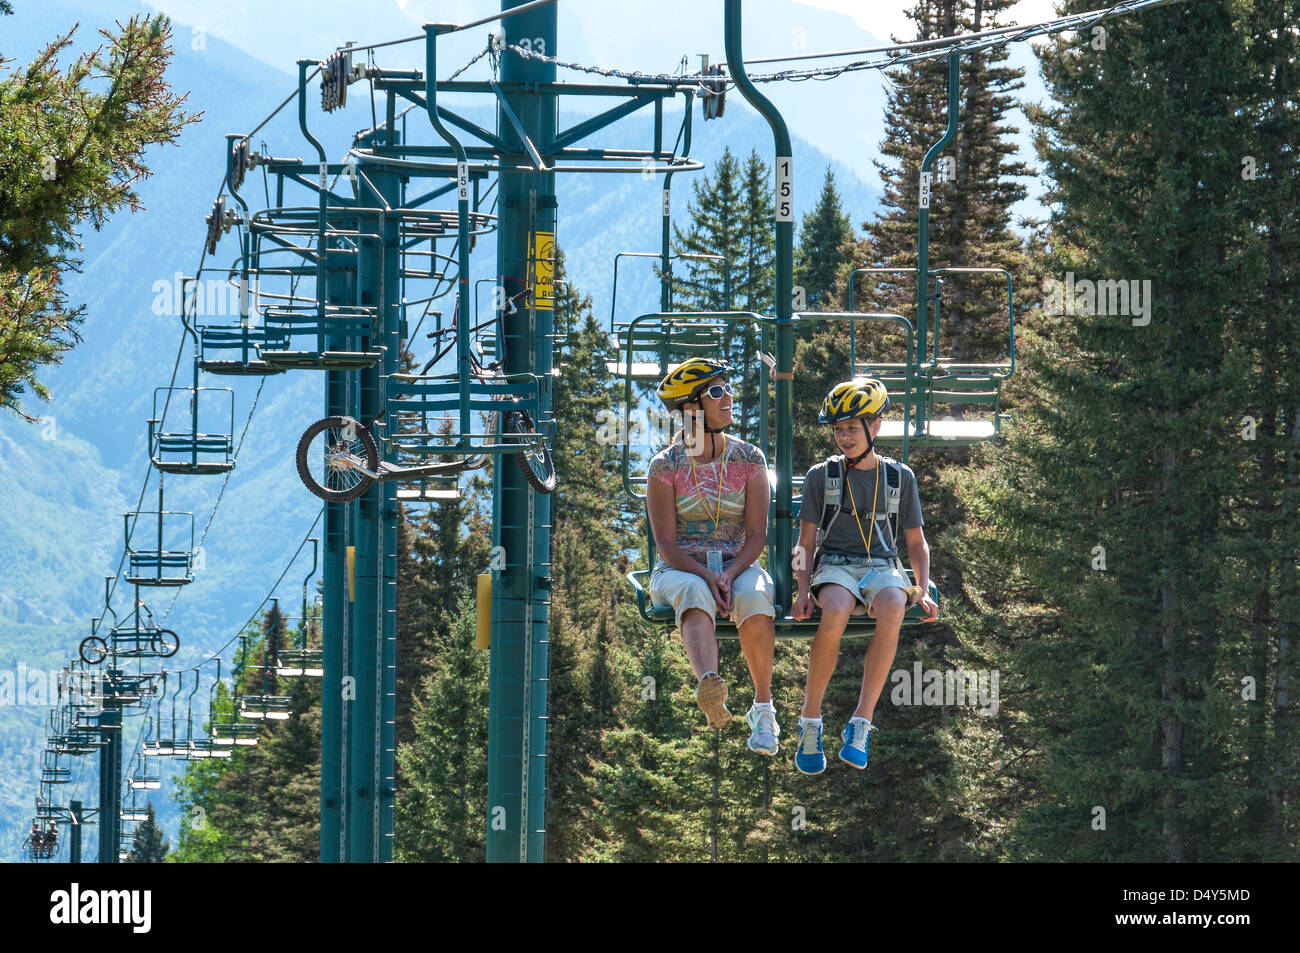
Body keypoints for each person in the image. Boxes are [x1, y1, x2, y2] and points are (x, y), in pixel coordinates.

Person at [791, 378, 939, 774]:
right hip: (835, 564)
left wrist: (920, 589)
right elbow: (805, 542)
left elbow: (916, 543)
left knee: (893, 604)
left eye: (852, 429)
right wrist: (803, 591)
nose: (843, 438)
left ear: (875, 428)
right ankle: (810, 720)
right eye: (838, 430)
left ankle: (862, 721)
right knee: (836, 607)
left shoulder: (898, 478)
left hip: (882, 565)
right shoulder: (822, 476)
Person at [646, 357, 780, 755]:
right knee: (692, 592)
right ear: (691, 408)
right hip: (679, 566)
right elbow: (667, 545)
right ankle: (710, 684)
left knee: (755, 597)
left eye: (728, 388)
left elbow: (757, 535)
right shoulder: (664, 467)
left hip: (738, 563)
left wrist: (731, 572)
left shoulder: (749, 459)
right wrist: (707, 576)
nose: (729, 397)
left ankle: (763, 707)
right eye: (717, 392)